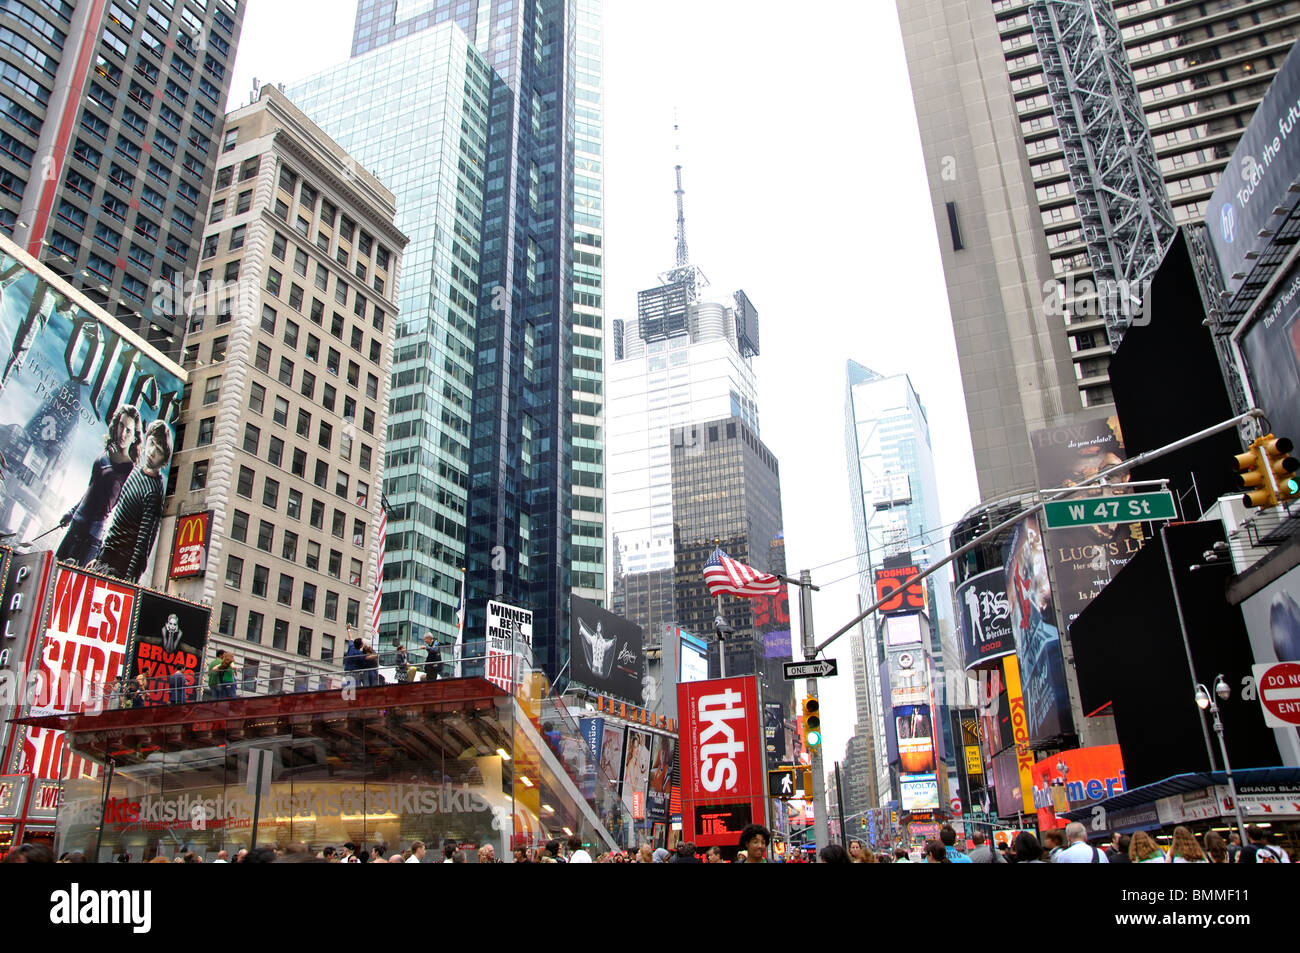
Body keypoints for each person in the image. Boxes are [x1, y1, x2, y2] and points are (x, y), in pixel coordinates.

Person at [56, 405, 142, 566]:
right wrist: (71, 512)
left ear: (134, 437)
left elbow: (125, 514)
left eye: (128, 430)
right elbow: (91, 489)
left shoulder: (130, 470)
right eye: (121, 426)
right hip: (75, 525)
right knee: (51, 576)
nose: (123, 433)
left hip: (91, 537)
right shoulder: (104, 454)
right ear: (115, 425)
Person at [91, 419, 172, 583]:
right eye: (152, 444)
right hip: (104, 559)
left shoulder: (154, 493)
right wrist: (99, 557)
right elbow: (116, 521)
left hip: (120, 569)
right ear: (146, 440)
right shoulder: (134, 472)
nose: (152, 452)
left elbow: (143, 546)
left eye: (159, 450)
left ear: (164, 460)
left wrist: (128, 582)